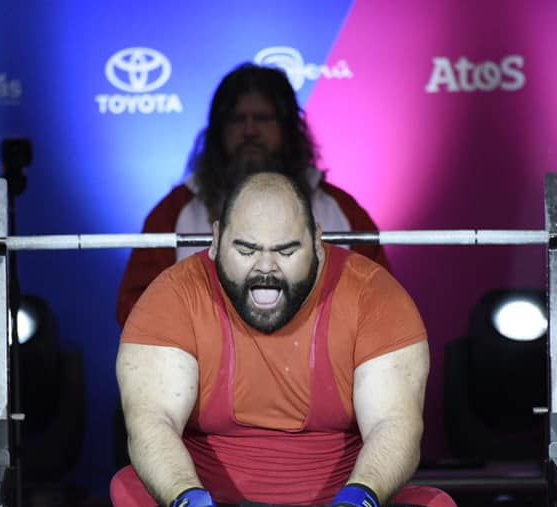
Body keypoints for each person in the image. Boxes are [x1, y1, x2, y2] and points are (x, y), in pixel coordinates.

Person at [110, 172, 466, 507]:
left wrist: (358, 504)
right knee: (130, 487)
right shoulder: (171, 297)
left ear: (317, 241)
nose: (265, 268)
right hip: (214, 505)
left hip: (342, 505)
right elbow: (152, 422)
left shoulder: (375, 295)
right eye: (245, 250)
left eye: (286, 250)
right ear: (216, 239)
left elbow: (395, 425)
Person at [115, 63, 390, 327]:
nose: (249, 131)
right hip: (208, 372)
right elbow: (138, 311)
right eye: (237, 120)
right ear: (218, 132)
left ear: (288, 129)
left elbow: (380, 304)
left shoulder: (339, 210)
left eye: (262, 119)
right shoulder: (175, 212)